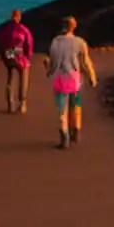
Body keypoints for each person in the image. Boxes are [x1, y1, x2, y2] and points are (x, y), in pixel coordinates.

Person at [44, 16, 97, 150]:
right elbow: (86, 61)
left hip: (60, 79)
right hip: (75, 80)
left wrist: (48, 70)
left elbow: (53, 62)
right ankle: (77, 130)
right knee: (76, 105)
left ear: (63, 27)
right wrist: (92, 76)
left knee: (62, 109)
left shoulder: (55, 42)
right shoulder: (80, 42)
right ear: (74, 27)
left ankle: (64, 138)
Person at [0, 9, 34, 114]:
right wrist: (28, 55)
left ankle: (10, 103)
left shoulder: (6, 29)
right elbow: (28, 43)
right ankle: (22, 104)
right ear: (19, 17)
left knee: (11, 77)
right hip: (19, 52)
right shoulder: (23, 29)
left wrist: (3, 55)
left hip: (9, 53)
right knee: (23, 77)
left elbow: (1, 42)